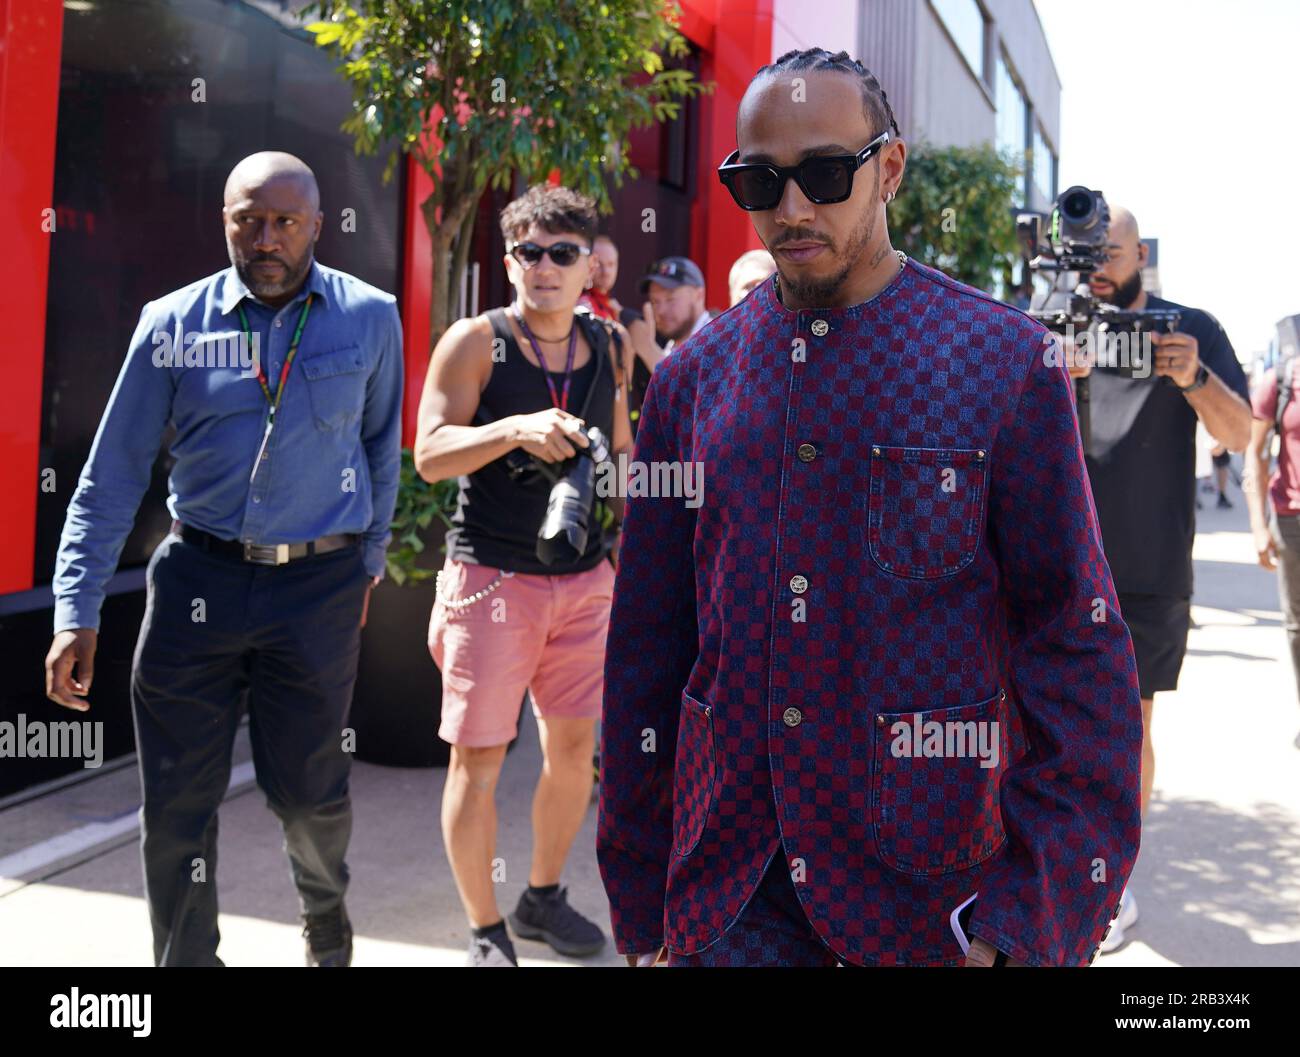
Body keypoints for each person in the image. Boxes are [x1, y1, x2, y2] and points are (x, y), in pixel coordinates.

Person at [597, 48, 1142, 968]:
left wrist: (1036, 911)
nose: (793, 208)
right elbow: (649, 643)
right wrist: (644, 902)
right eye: (760, 181)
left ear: (888, 167)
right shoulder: (691, 380)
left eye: (824, 172)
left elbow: (1075, 645)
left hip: (932, 896)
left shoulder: (1004, 363)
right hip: (729, 892)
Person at [44, 151, 404, 967]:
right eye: (250, 219)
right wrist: (77, 608)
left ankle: (325, 917)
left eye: (285, 221)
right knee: (175, 807)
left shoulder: (370, 315)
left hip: (316, 586)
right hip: (195, 582)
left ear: (317, 223)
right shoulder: (171, 323)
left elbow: (383, 448)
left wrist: (368, 563)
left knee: (310, 798)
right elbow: (111, 475)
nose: (267, 237)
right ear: (225, 221)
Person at [415, 184, 634, 966]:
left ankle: (541, 896)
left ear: (589, 268)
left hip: (584, 582)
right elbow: (430, 454)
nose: (545, 267)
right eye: (530, 253)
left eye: (562, 254)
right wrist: (512, 429)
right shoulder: (476, 340)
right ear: (509, 262)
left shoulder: (609, 346)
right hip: (491, 578)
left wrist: (629, 514)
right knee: (476, 760)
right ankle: (484, 928)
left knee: (574, 752)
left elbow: (623, 450)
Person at [1074, 206, 1252, 952]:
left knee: (1129, 730)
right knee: (1034, 725)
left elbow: (1240, 433)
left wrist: (1194, 374)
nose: (1099, 269)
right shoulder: (1057, 323)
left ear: (1140, 252)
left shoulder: (1191, 325)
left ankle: (1112, 880)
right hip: (1057, 564)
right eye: (1087, 257)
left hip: (1148, 566)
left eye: (1110, 254)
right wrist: (1055, 370)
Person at [1245, 354, 1300, 747]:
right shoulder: (1282, 377)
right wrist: (1258, 524)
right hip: (1292, 519)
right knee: (1298, 626)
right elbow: (1256, 450)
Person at [580, 233, 665, 435]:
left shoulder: (616, 310)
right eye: (599, 264)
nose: (606, 271)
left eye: (612, 264)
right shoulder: (579, 304)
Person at [639, 256, 714, 353]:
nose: (661, 311)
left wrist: (648, 350)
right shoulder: (670, 349)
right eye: (655, 301)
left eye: (670, 299)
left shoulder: (718, 340)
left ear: (698, 295)